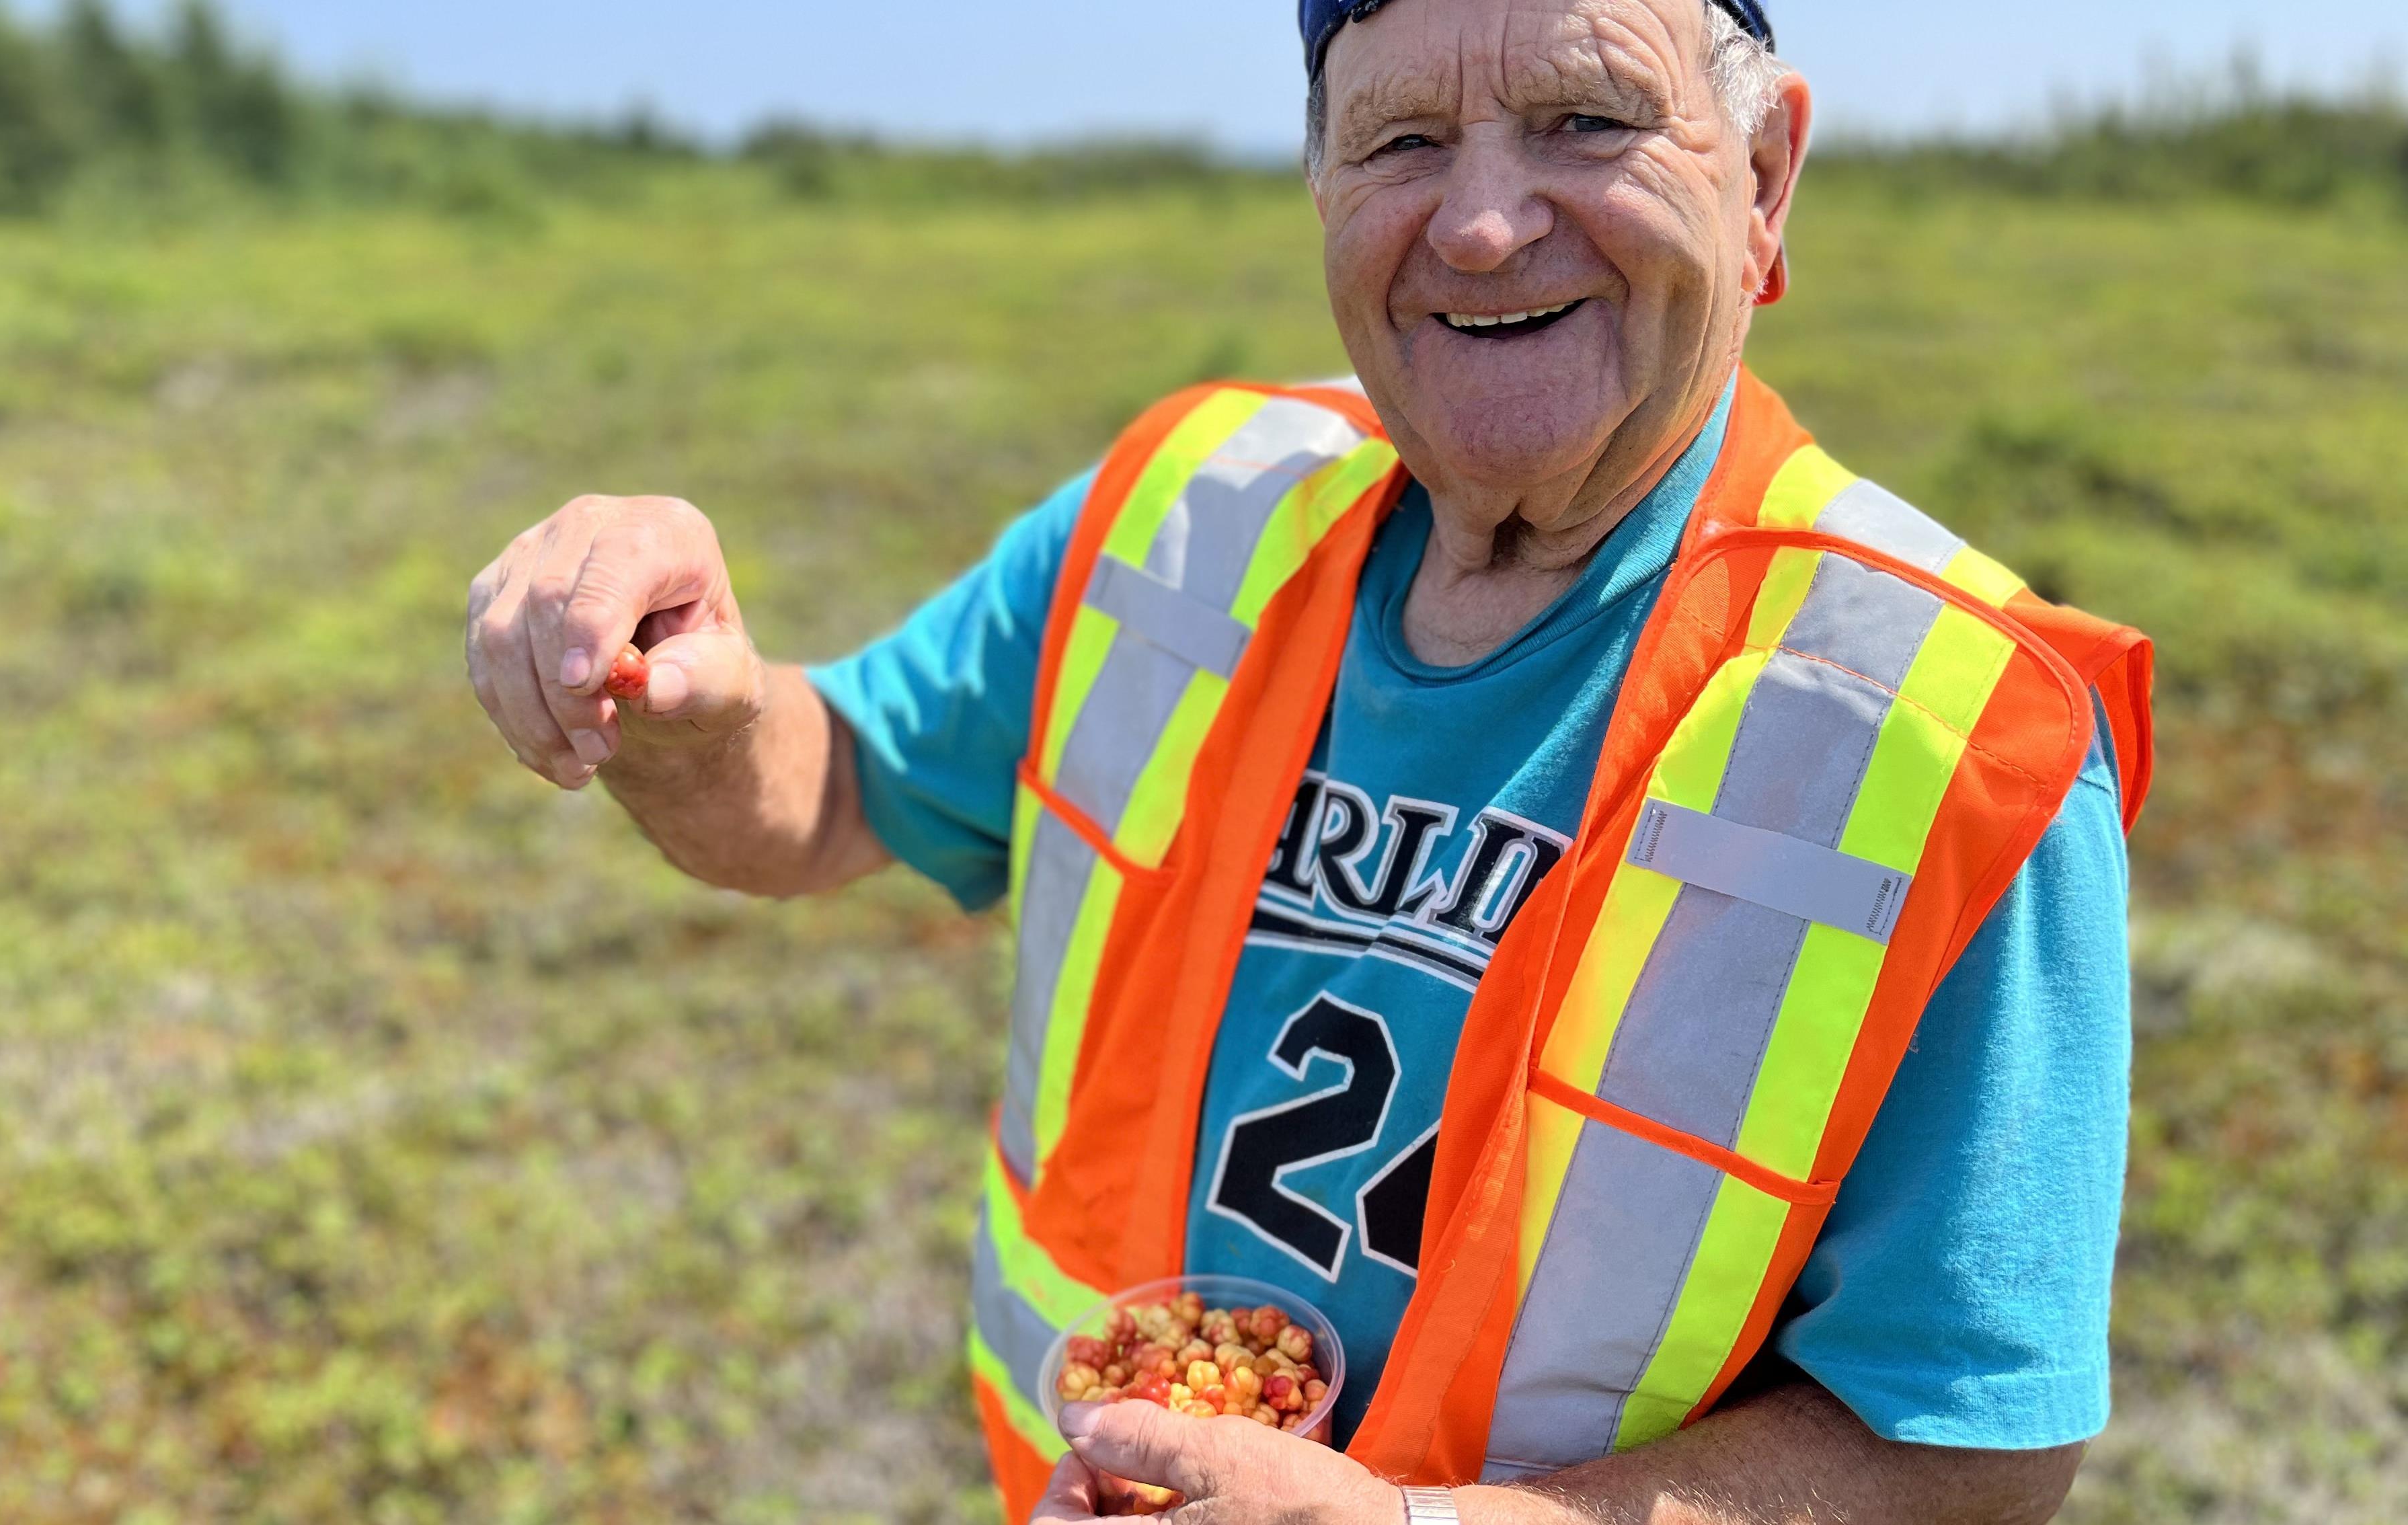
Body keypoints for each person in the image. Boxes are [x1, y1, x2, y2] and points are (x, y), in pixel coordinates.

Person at [462, 1, 2156, 1520]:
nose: (1484, 225)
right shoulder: (1186, 514)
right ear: (1320, 189)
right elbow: (831, 792)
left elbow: (1964, 1443)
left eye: (1585, 120)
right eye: (1402, 141)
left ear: (1767, 175)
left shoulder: (1952, 730)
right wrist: (689, 700)